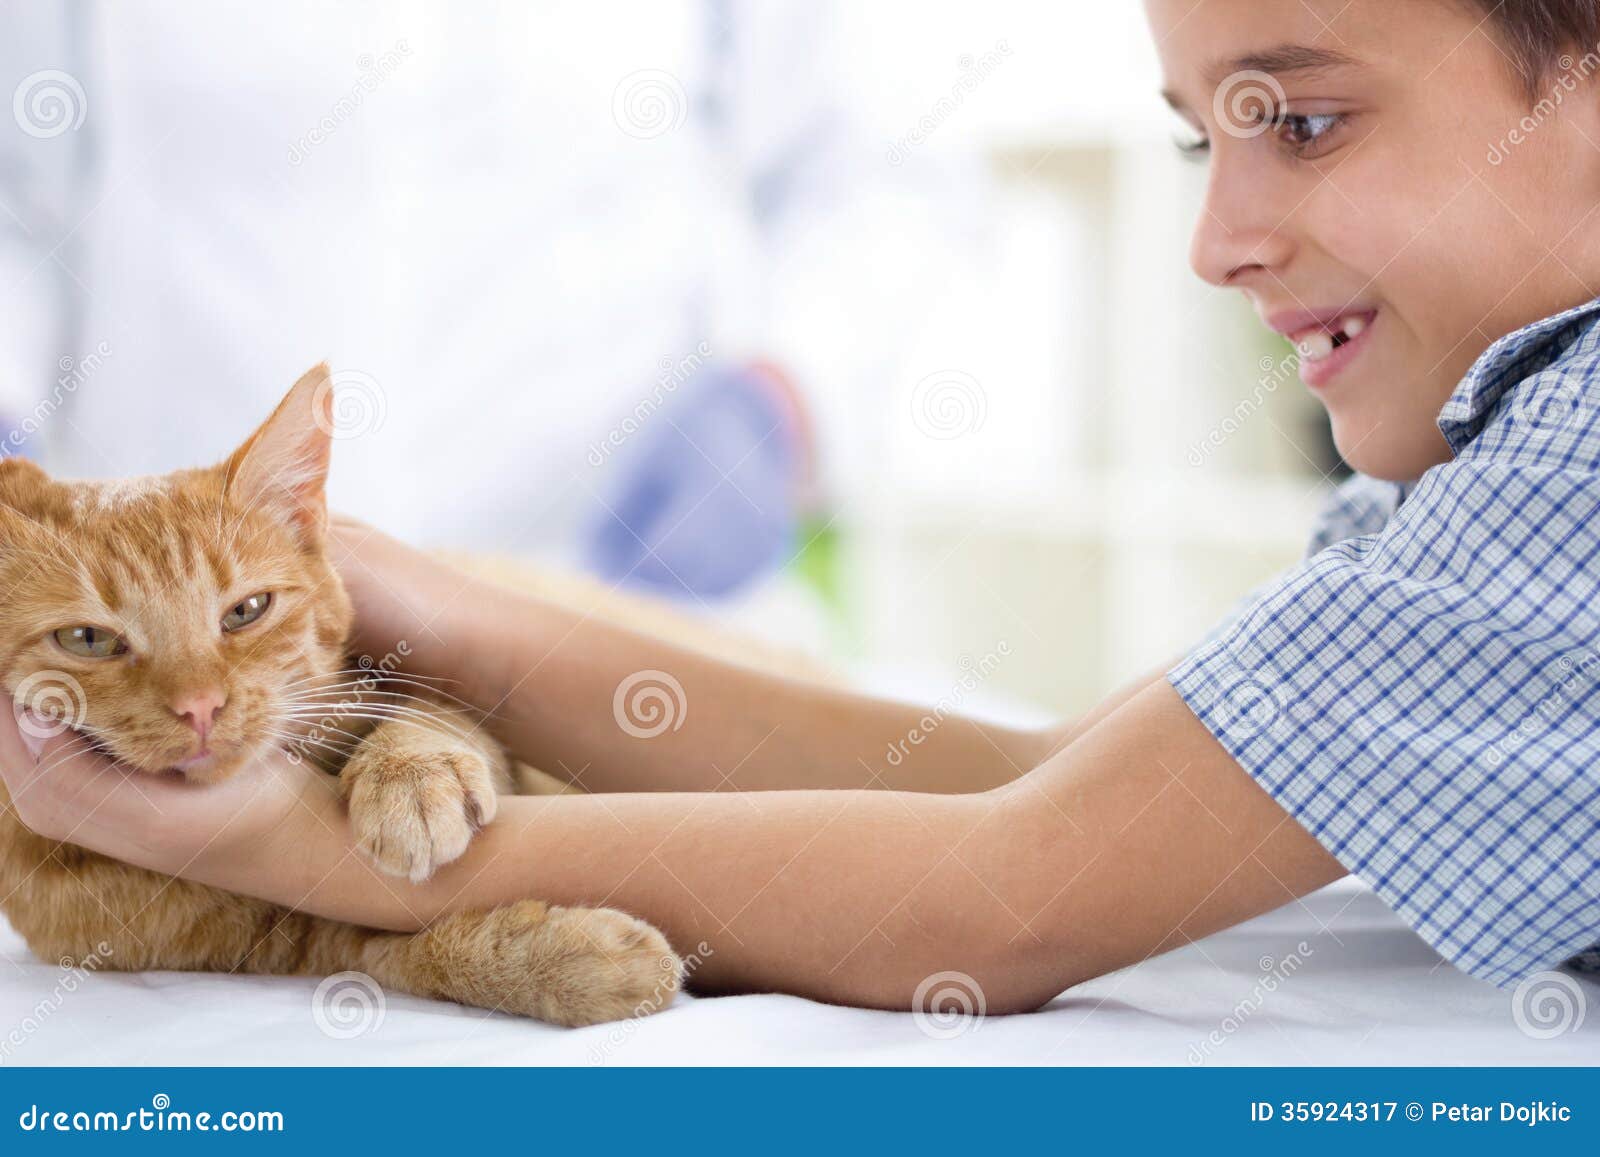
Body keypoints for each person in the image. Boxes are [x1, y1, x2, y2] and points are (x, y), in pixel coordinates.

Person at [3, 0, 1599, 1011]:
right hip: (304, 610)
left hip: (623, 534)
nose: (1213, 239)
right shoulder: (1473, 471)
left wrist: (302, 856)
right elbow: (1051, 781)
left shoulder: (1560, 486)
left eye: (1301, 121)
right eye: (1200, 140)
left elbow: (1003, 887)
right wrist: (460, 623)